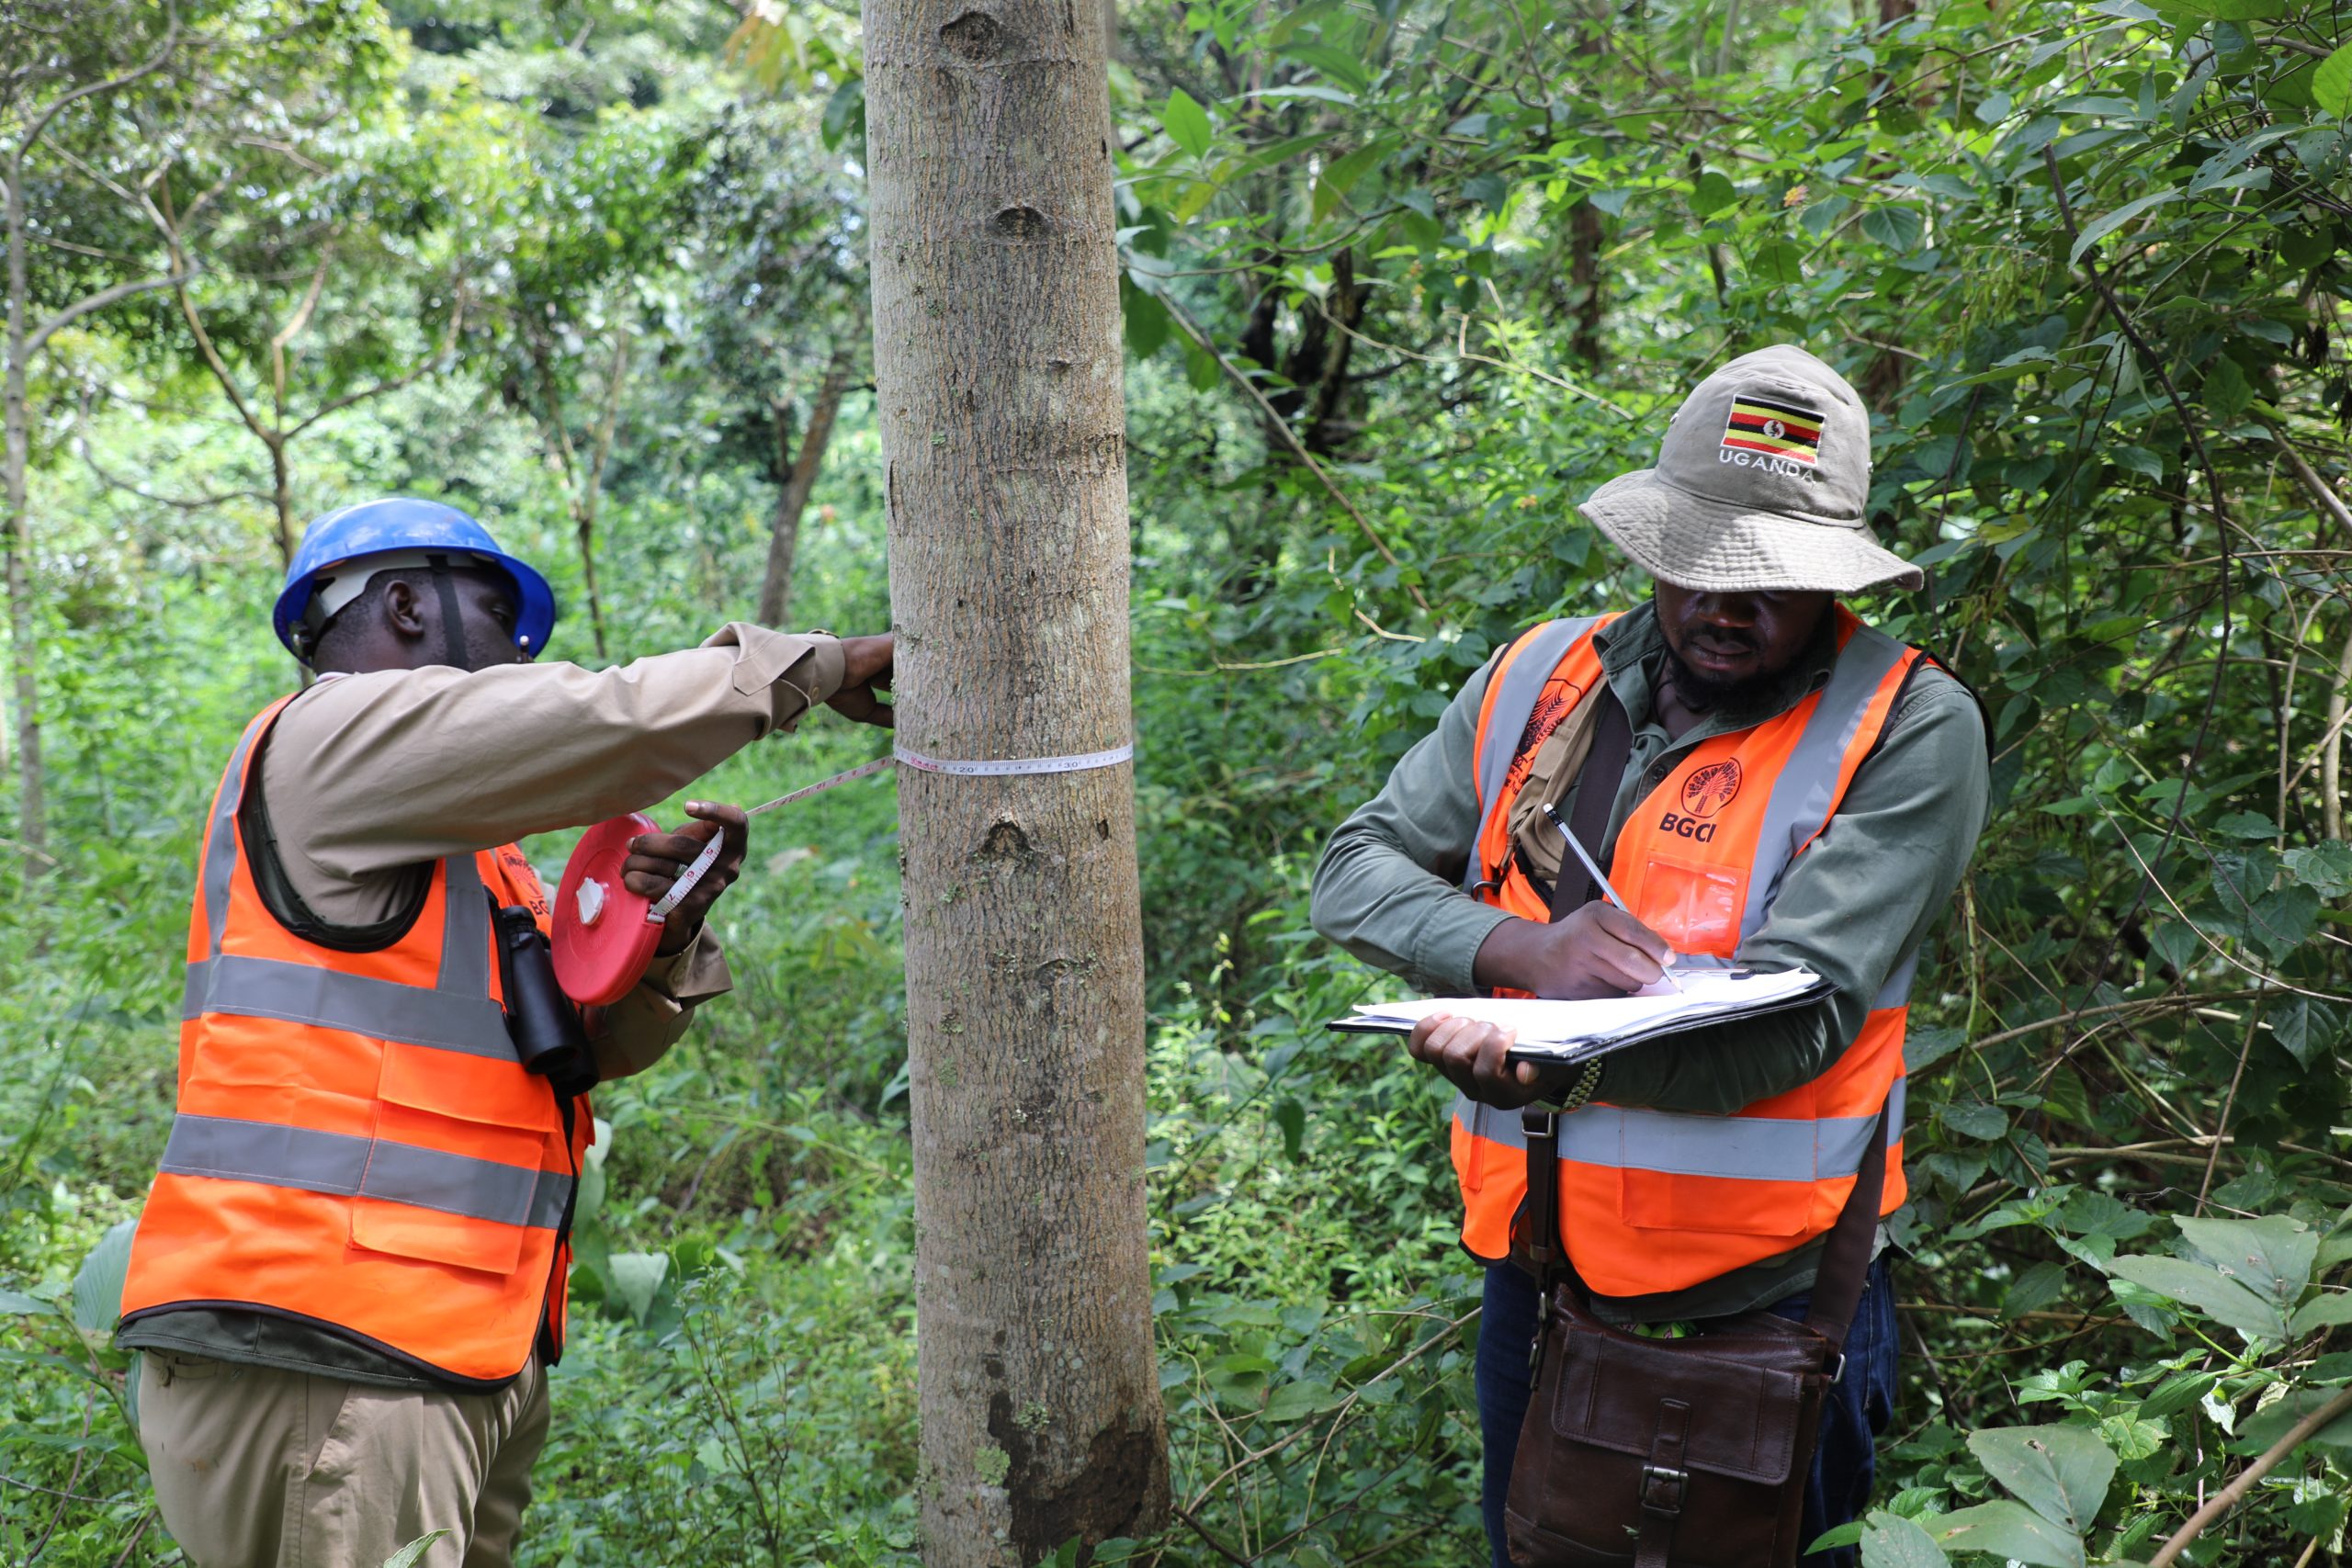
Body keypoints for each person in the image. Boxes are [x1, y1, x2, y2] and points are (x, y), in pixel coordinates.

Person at [118, 497, 895, 1568]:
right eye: (496, 617)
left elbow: (575, 1060)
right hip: (325, 1344)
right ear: (401, 603)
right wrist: (812, 664)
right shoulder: (323, 738)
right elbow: (594, 726)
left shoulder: (471, 858)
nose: (520, 659)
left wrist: (660, 937)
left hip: (453, 1349)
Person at [1308, 346, 1990, 1568]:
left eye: (1773, 579)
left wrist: (1548, 1065)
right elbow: (1353, 867)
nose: (1729, 607)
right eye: (1700, 569)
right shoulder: (1536, 678)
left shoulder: (1907, 725)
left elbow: (1798, 1023)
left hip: (1773, 1303)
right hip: (1540, 1280)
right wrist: (1517, 948)